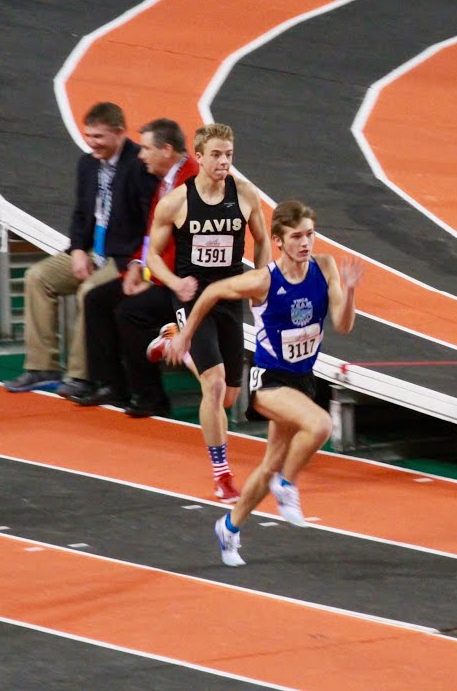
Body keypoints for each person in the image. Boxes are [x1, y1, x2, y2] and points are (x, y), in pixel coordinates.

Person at [163, 200, 364, 566]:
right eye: (297, 237)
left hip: (303, 380)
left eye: (310, 235)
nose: (306, 243)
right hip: (269, 381)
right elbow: (210, 293)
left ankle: (230, 526)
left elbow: (344, 325)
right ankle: (287, 486)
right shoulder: (263, 280)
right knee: (320, 425)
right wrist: (185, 336)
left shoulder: (325, 267)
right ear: (278, 240)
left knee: (269, 462)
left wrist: (349, 292)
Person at [143, 123, 270, 503]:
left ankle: (171, 340)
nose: (223, 161)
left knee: (230, 396)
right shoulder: (176, 203)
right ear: (198, 157)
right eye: (216, 154)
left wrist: (260, 282)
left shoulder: (245, 195)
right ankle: (222, 474)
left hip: (229, 298)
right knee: (213, 385)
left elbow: (262, 241)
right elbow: (152, 256)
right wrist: (173, 282)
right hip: (192, 298)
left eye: (228, 154)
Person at [2, 102, 157, 399]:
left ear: (119, 133)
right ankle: (42, 366)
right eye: (88, 135)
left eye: (98, 137)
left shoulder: (140, 166)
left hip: (124, 257)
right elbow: (80, 215)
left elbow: (150, 222)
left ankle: (80, 375)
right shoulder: (87, 164)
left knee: (90, 292)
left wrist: (138, 262)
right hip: (90, 252)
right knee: (37, 277)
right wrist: (76, 250)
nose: (91, 142)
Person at [72, 118, 199, 418]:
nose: (140, 155)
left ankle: (152, 396)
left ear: (167, 150)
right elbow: (151, 233)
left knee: (131, 312)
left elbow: (187, 246)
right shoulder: (166, 180)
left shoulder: (192, 182)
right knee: (97, 300)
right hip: (156, 274)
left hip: (183, 283)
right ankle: (113, 385)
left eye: (146, 149)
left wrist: (157, 279)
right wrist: (137, 266)